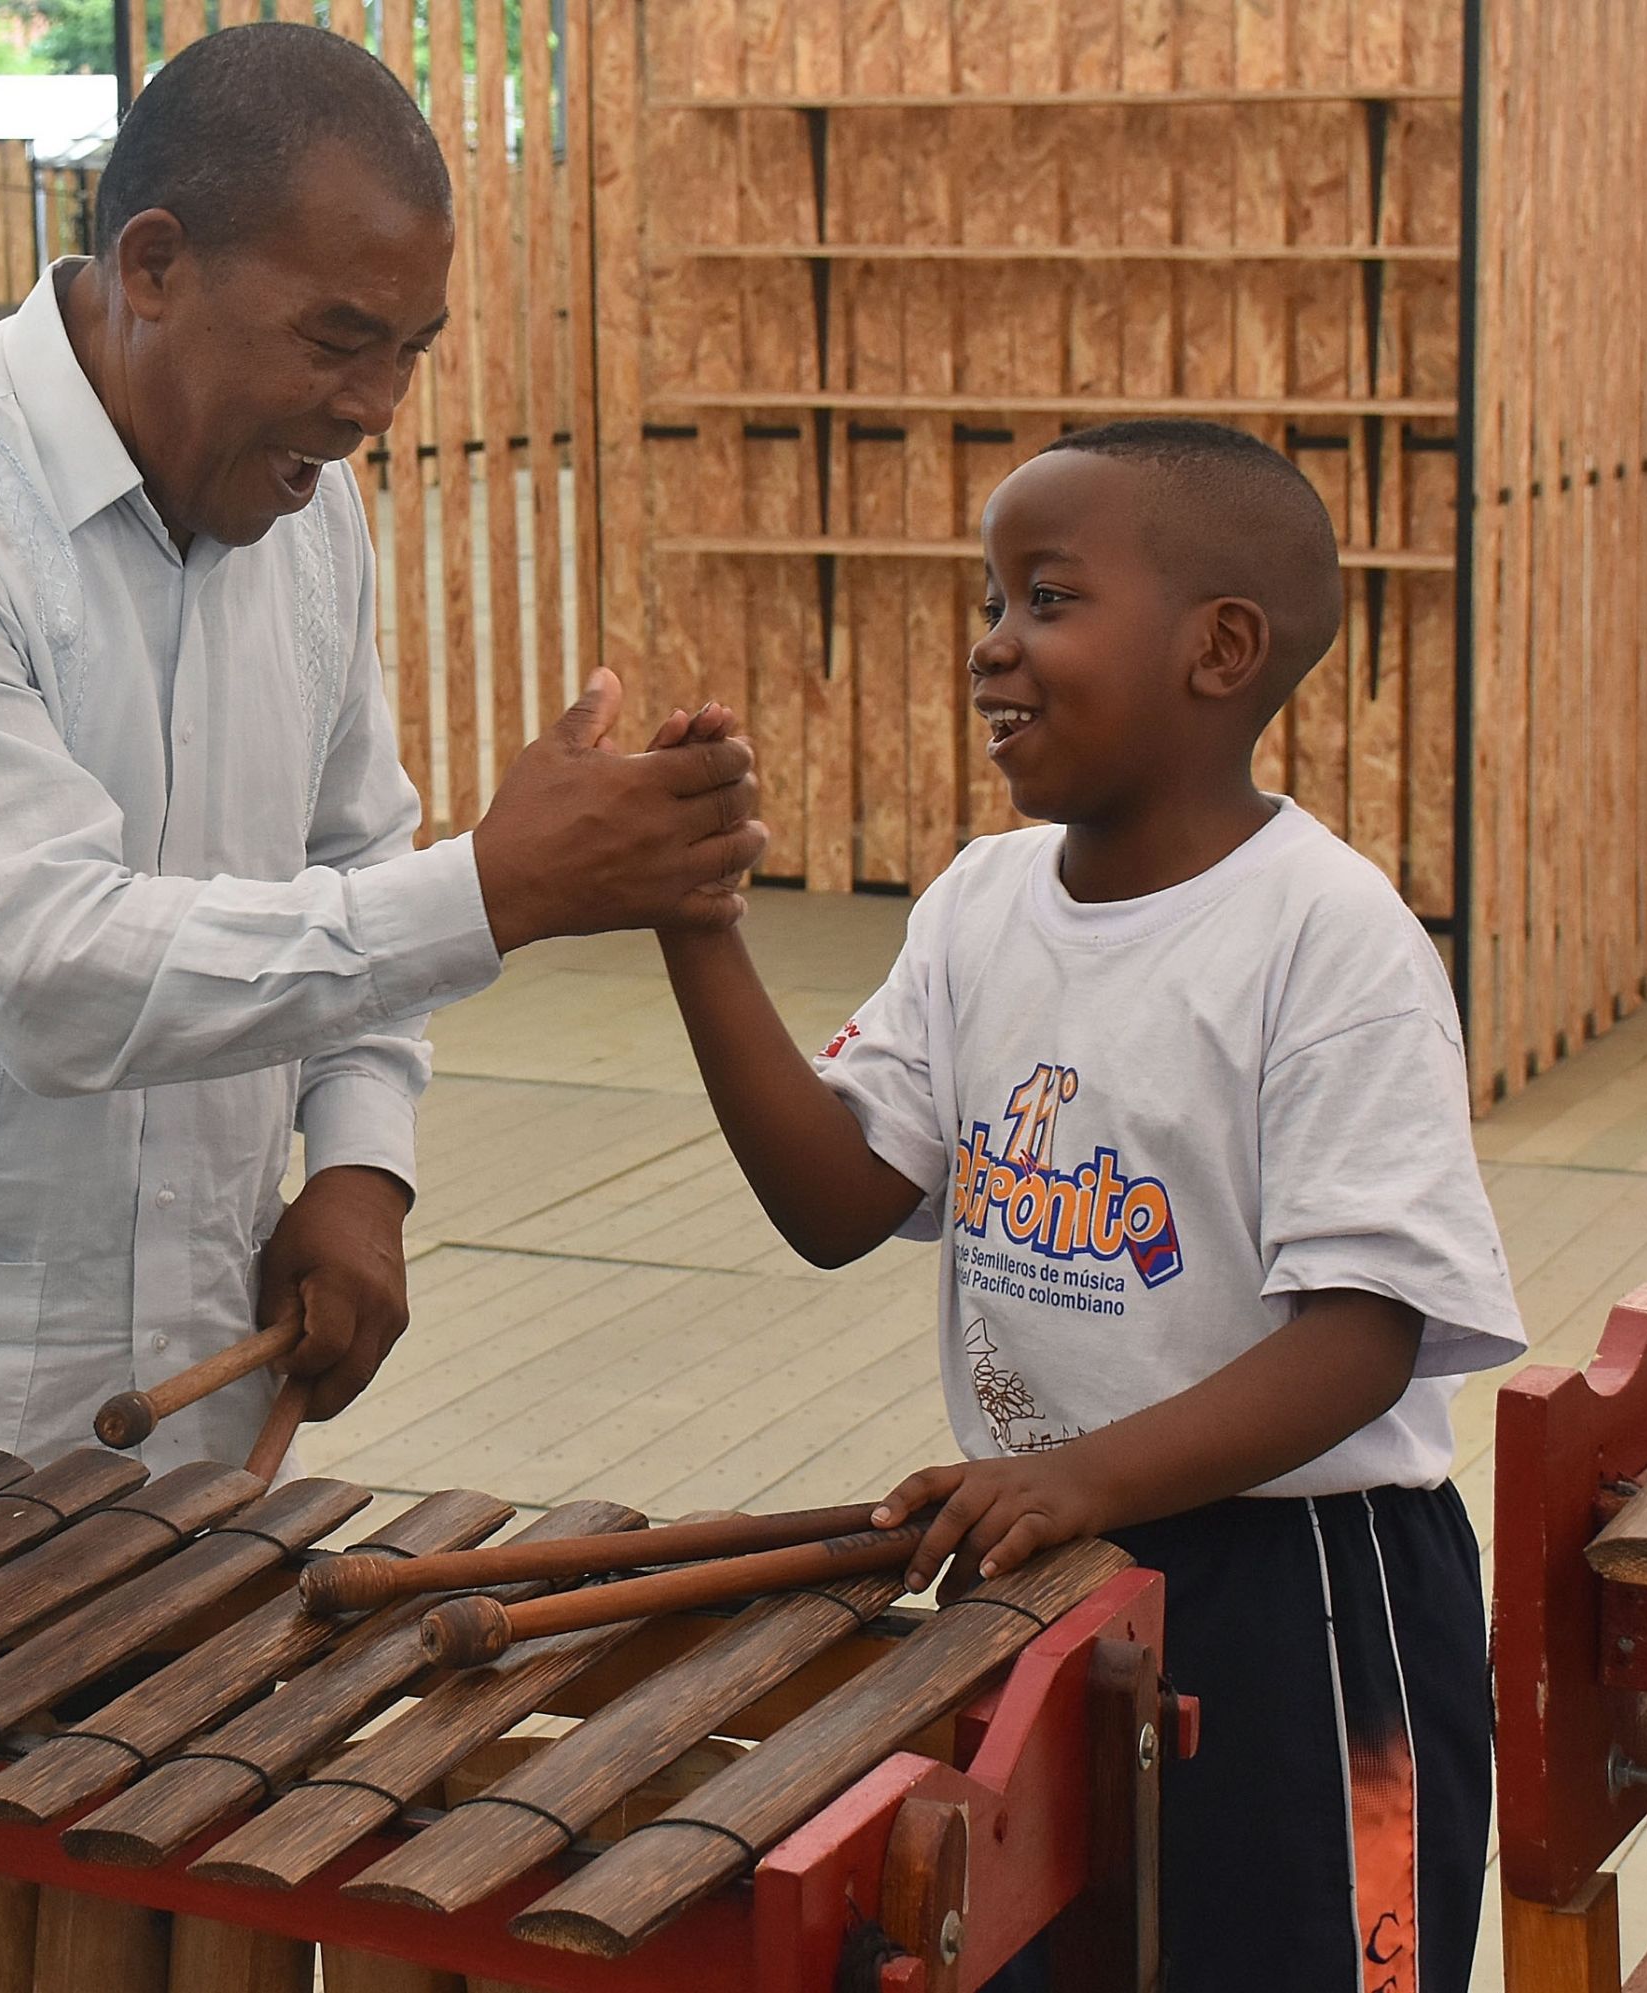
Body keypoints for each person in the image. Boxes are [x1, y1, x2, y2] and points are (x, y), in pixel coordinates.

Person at [0, 23, 765, 1472]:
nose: (373, 411)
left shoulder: (307, 516)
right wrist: (498, 888)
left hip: (183, 1427)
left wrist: (359, 1165)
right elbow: (51, 974)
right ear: (153, 265)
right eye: (338, 340)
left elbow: (345, 856)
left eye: (409, 354)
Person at [649, 421, 1522, 1991]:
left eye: (1046, 599)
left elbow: (1366, 1337)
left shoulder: (1329, 940)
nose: (994, 645)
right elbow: (839, 1199)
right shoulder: (980, 906)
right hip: (1067, 1575)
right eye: (992, 601)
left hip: (1310, 1605)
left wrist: (1079, 1473)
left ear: (1222, 649)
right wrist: (700, 927)